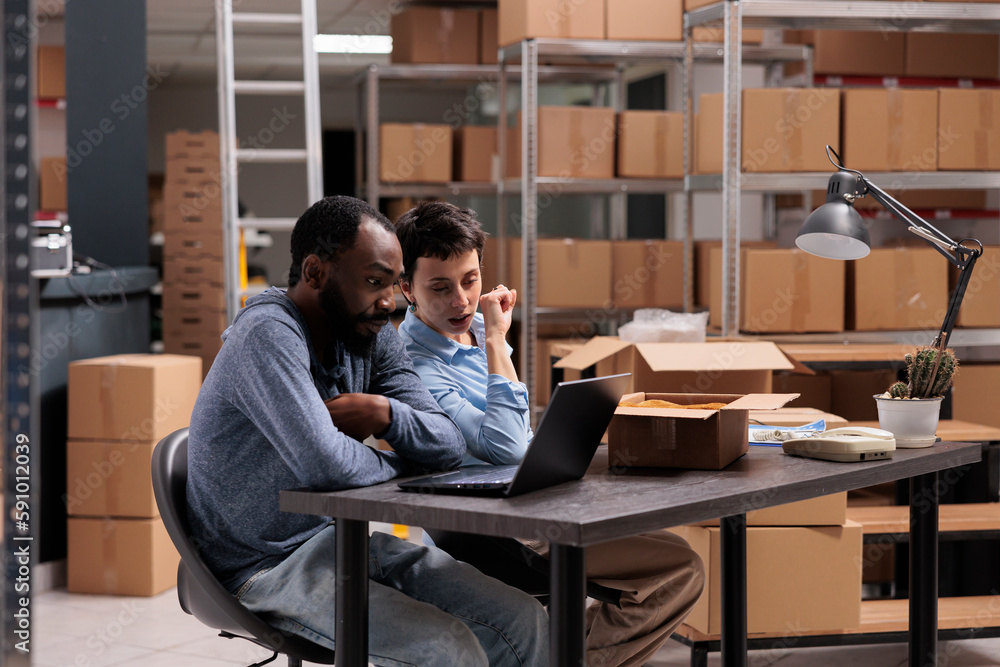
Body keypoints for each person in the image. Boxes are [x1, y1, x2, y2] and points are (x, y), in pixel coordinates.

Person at [185, 196, 549, 667]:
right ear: (316, 273)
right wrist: (399, 464)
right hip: (264, 567)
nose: (388, 300)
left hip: (339, 542)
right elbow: (323, 461)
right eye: (374, 282)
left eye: (391, 284)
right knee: (447, 650)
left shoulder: (369, 336)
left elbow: (447, 445)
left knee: (524, 618)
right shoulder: (267, 335)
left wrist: (387, 415)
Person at [396, 200, 705, 667]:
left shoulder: (475, 331)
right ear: (407, 289)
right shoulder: (415, 364)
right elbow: (504, 447)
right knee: (678, 570)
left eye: (470, 279)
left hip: (530, 501)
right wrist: (500, 341)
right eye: (439, 287)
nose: (460, 300)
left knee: (673, 557)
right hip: (495, 528)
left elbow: (516, 437)